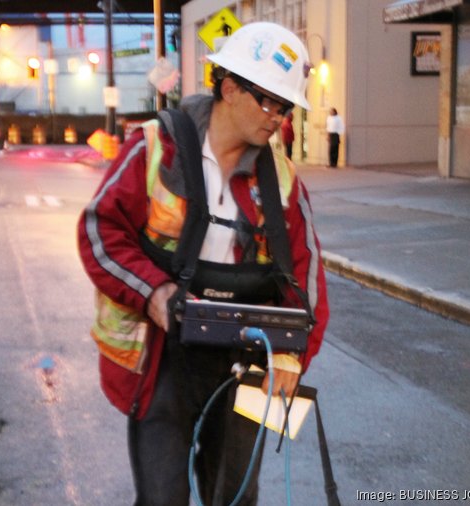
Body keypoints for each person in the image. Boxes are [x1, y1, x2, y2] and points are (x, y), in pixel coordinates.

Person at [77, 22, 329, 506]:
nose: (278, 117)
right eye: (268, 101)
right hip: (163, 356)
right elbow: (99, 232)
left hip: (249, 360)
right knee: (162, 498)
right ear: (229, 87)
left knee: (236, 498)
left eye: (286, 106)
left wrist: (295, 355)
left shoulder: (280, 176)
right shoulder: (155, 146)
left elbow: (307, 274)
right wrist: (154, 292)